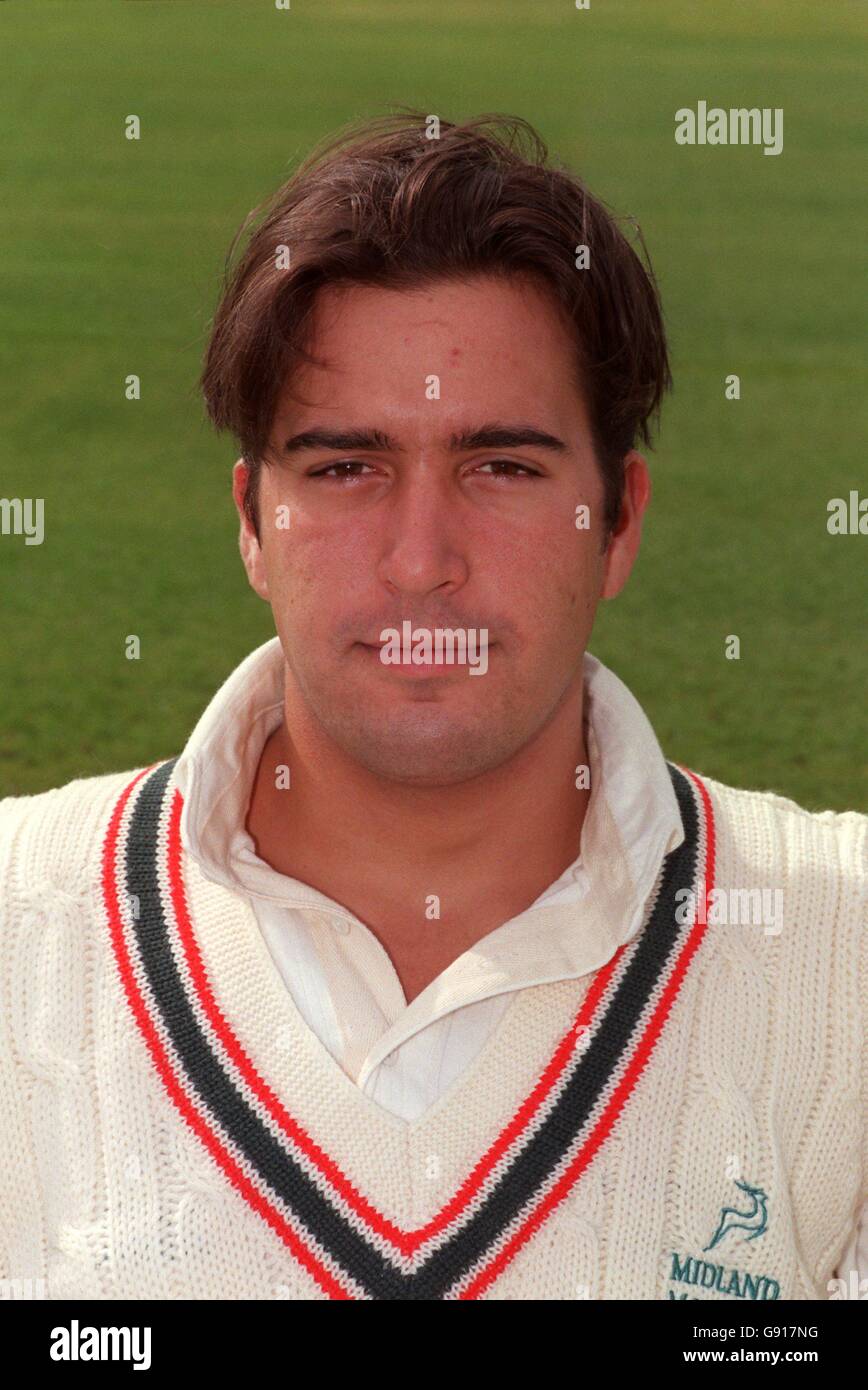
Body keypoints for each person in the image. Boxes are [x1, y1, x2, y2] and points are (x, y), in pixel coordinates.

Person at [1, 113, 864, 1302]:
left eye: (501, 467)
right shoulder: (19, 927)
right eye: (346, 467)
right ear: (252, 522)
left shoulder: (843, 960)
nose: (419, 560)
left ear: (617, 521)